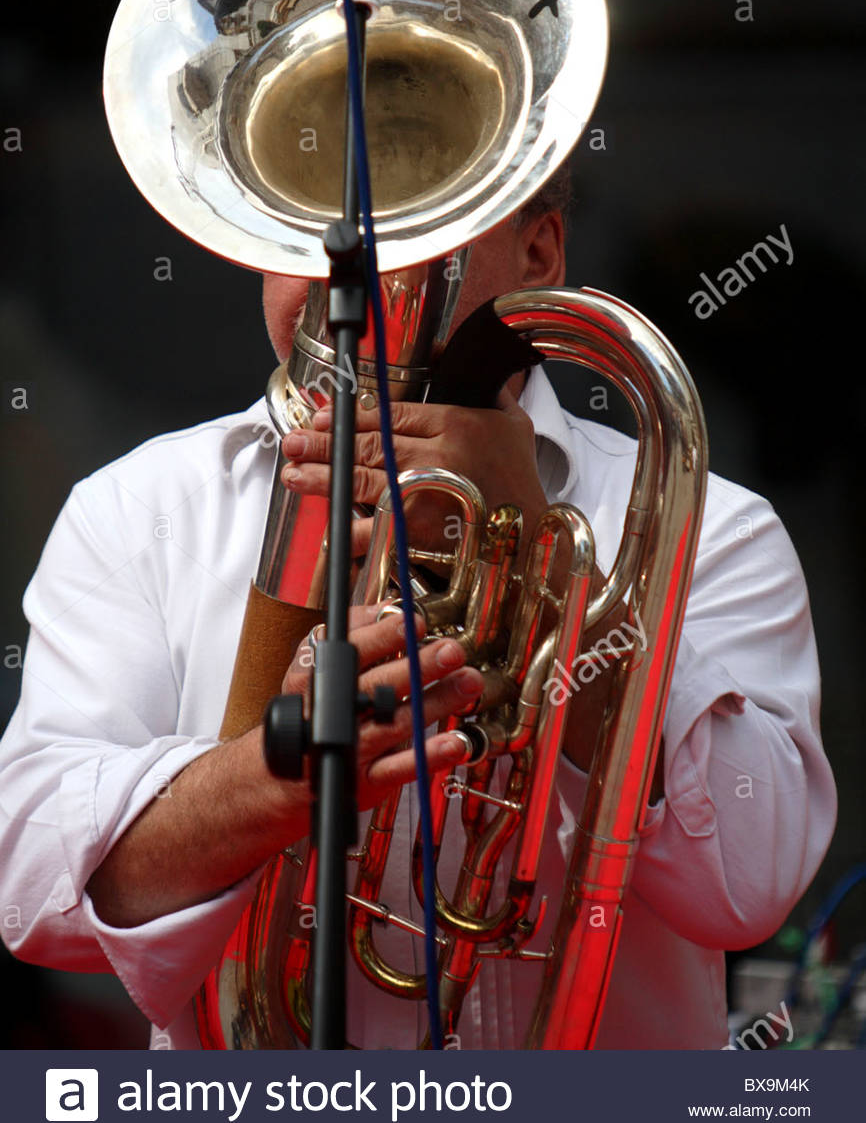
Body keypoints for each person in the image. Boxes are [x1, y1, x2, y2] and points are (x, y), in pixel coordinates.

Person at [0, 174, 837, 1049]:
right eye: (290, 236)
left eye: (408, 226)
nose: (338, 281)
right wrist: (279, 779)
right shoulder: (135, 511)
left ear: (539, 251)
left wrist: (547, 563)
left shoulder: (715, 529)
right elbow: (33, 892)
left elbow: (749, 880)